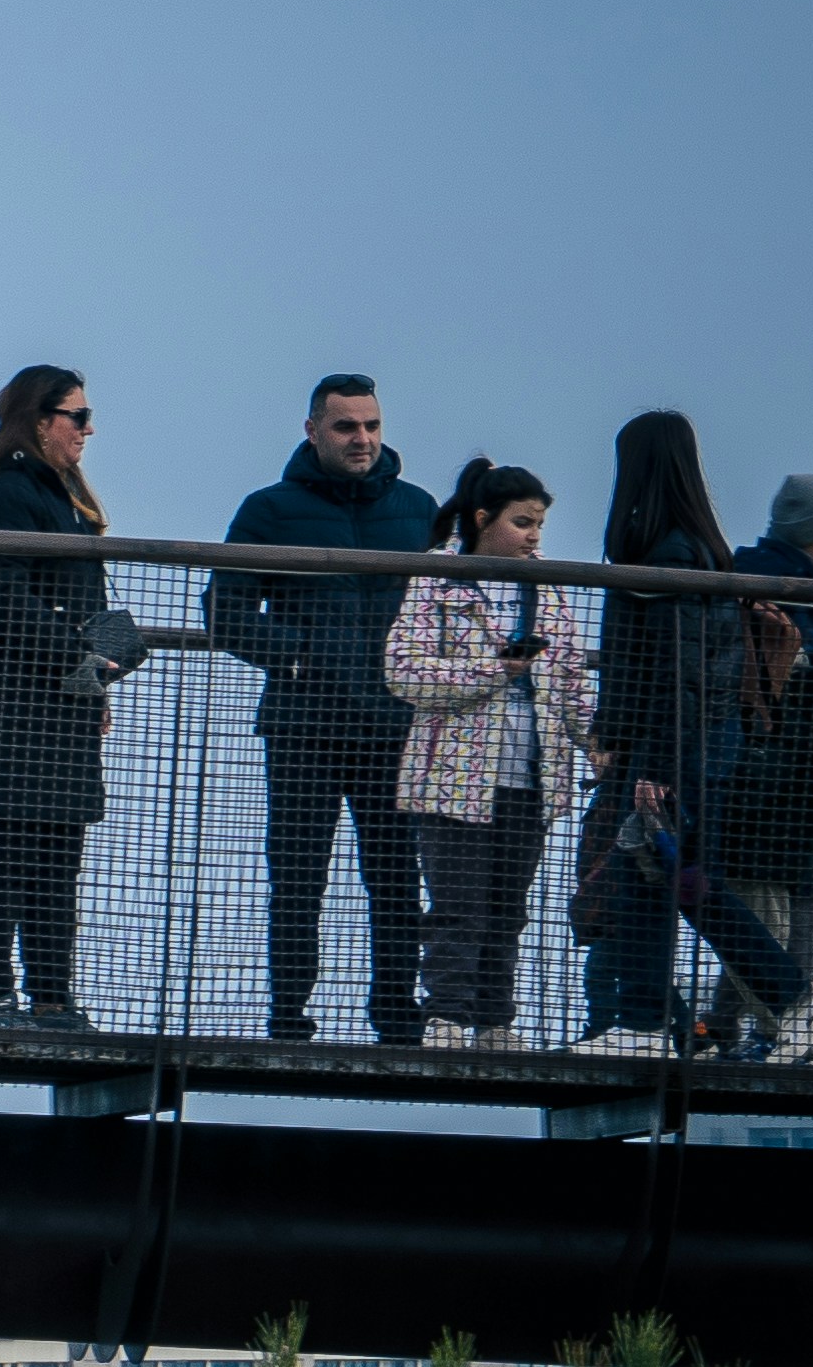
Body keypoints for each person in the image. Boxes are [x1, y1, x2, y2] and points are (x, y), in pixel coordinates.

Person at [573, 406, 813, 1045]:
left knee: (674, 884)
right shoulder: (697, 547)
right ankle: (654, 1019)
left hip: (671, 749)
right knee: (662, 881)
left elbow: (675, 671)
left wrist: (651, 766)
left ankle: (782, 1002)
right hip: (691, 745)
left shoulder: (669, 553)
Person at [211, 373, 431, 1039]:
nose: (362, 439)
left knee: (396, 880)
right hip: (303, 724)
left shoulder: (421, 510)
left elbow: (448, 607)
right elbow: (225, 612)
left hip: (395, 725)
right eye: (345, 426)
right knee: (299, 878)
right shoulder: (268, 509)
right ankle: (288, 1014)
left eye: (371, 425)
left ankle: (397, 1014)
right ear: (313, 431)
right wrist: (302, 654)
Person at [0, 364, 131, 1027]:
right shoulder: (7, 495)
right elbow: (4, 600)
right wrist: (83, 659)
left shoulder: (63, 498)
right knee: (7, 860)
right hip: (6, 716)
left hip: (58, 711)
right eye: (77, 416)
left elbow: (85, 601)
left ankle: (52, 1001)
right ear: (40, 420)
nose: (88, 429)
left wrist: (99, 678)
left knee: (56, 864)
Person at [381, 459, 590, 1045]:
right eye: (523, 522)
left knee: (507, 910)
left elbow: (570, 677)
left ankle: (496, 1020)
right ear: (482, 519)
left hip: (530, 774)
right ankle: (446, 1016)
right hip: (453, 774)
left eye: (540, 525)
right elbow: (404, 671)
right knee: (456, 906)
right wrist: (493, 672)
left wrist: (596, 742)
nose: (534, 536)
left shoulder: (544, 585)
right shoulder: (437, 578)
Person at [702, 472, 813, 1053]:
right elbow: (778, 694)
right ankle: (785, 1031)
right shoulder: (785, 593)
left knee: (757, 921)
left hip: (774, 783)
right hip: (787, 786)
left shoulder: (765, 583)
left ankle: (728, 1026)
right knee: (794, 918)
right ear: (806, 535)